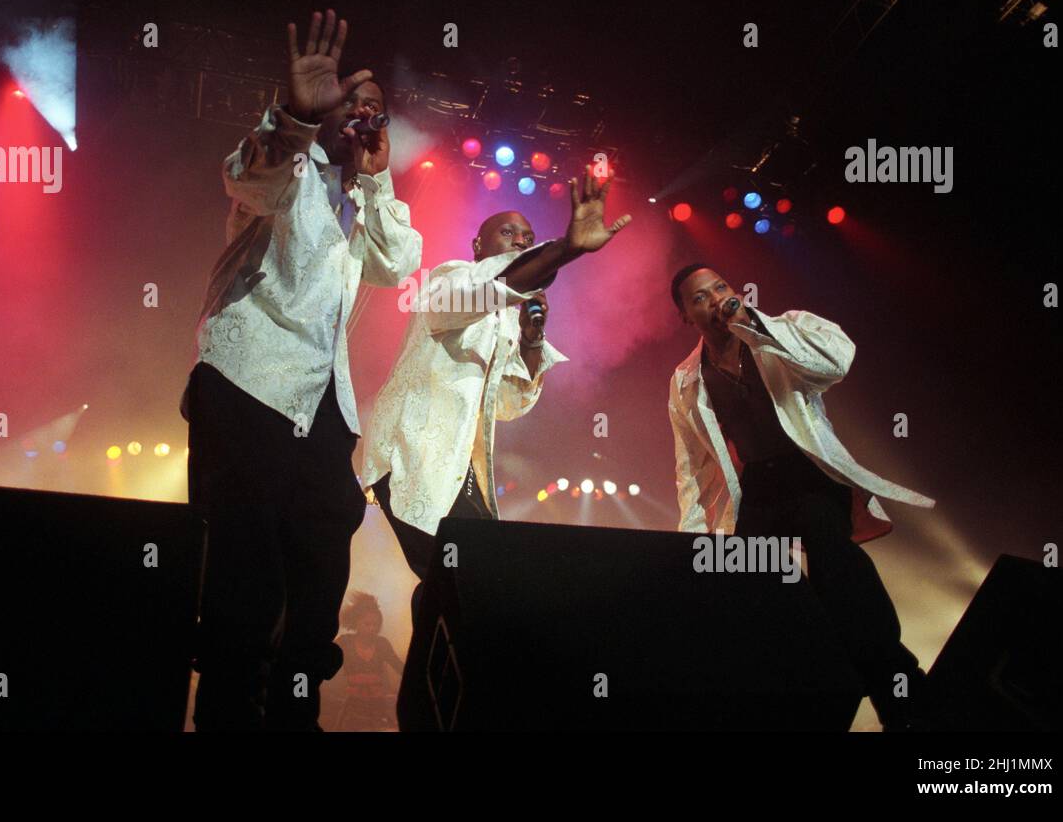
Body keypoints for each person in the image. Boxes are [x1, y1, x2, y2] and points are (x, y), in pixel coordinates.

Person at [182, 9, 423, 731]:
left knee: (318, 577)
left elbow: (397, 262)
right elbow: (249, 178)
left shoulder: (361, 199)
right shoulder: (287, 167)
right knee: (242, 582)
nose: (365, 114)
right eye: (354, 98)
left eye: (375, 107)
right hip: (248, 382)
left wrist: (378, 184)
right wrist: (295, 119)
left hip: (322, 403)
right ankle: (226, 718)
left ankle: (294, 720)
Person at [667, 263, 936, 730]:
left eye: (721, 288)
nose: (715, 301)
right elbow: (692, 465)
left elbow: (836, 363)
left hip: (808, 475)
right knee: (752, 597)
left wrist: (757, 327)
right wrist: (694, 538)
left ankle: (904, 689)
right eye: (700, 298)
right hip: (758, 489)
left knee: (839, 574)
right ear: (684, 317)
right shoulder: (686, 380)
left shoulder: (784, 330)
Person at [362, 167, 630, 622]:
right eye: (509, 233)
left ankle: (445, 681)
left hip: (459, 467)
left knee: (469, 585)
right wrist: (563, 250)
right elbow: (484, 290)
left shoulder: (506, 318)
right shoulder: (449, 278)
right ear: (479, 246)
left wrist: (528, 340)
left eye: (528, 235)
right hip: (413, 452)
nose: (522, 240)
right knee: (471, 578)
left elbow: (508, 405)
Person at [328, 592, 404, 731]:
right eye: (367, 624)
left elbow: (401, 668)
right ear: (356, 622)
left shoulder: (382, 644)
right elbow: (325, 663)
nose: (372, 628)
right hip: (352, 708)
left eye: (375, 624)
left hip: (378, 707)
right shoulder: (345, 642)